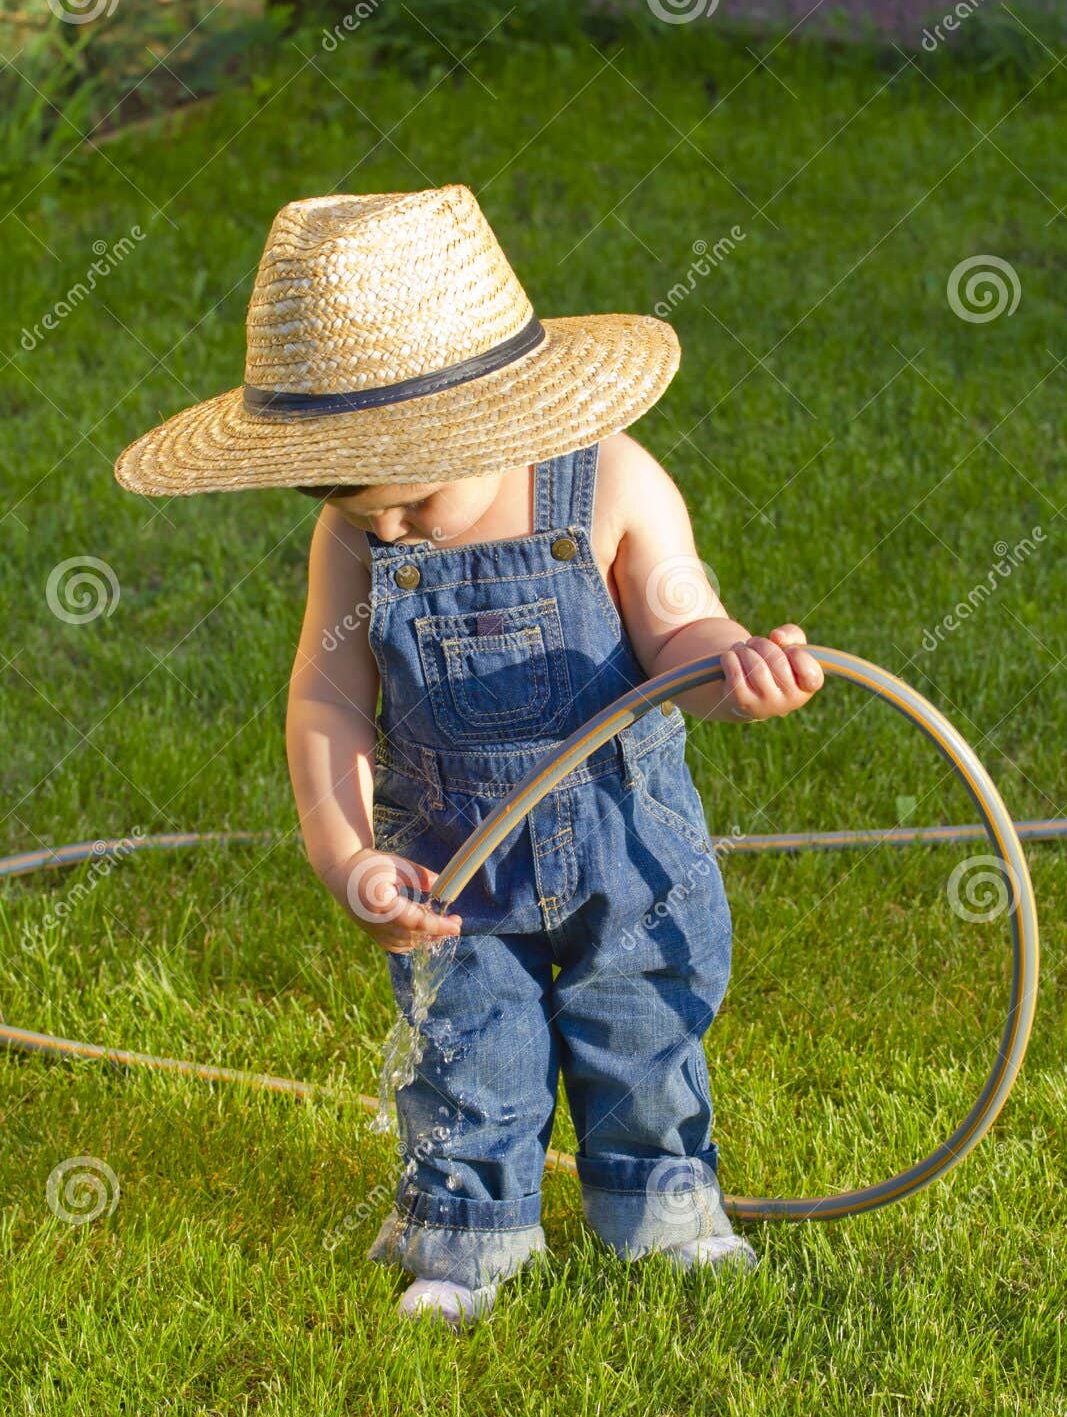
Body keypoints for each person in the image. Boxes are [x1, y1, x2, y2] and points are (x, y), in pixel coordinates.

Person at [114, 185, 823, 1331]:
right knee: (467, 1050)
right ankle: (466, 1232)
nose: (385, 530)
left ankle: (662, 1208)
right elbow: (327, 696)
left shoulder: (611, 484)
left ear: (492, 423)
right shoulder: (355, 534)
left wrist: (736, 664)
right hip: (450, 865)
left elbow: (682, 623)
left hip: (622, 845)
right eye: (353, 503)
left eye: (409, 500)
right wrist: (345, 851)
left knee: (644, 1019)